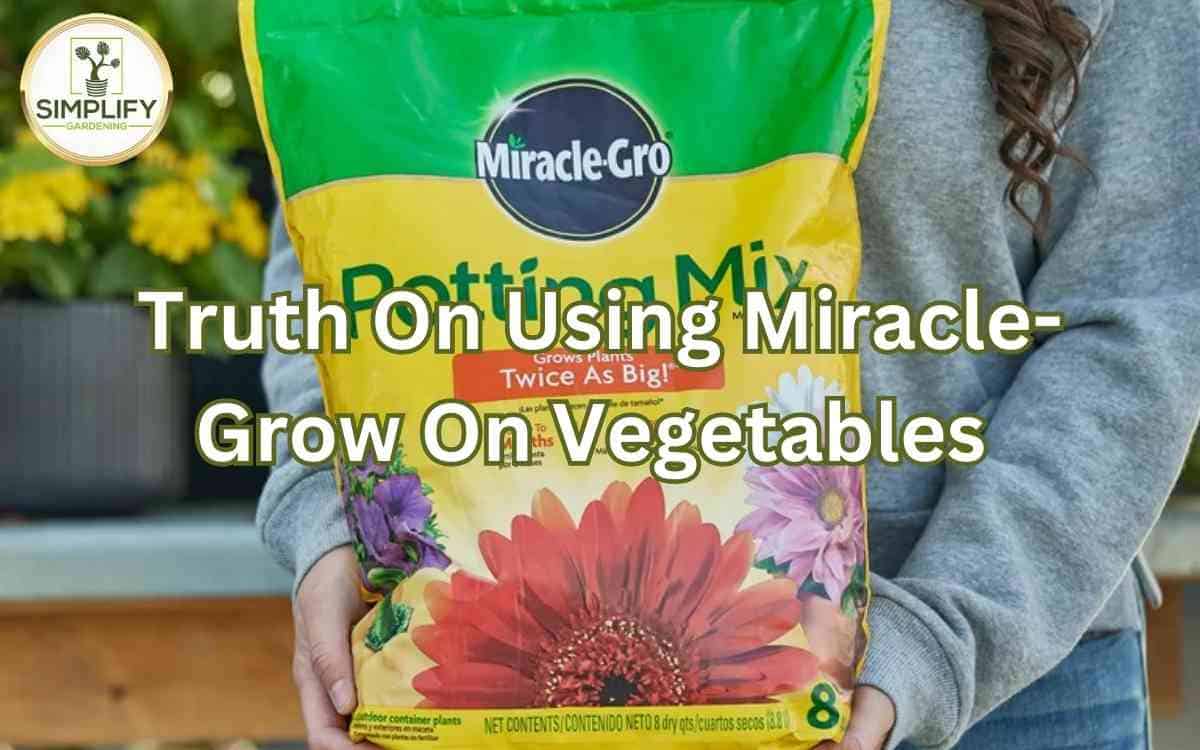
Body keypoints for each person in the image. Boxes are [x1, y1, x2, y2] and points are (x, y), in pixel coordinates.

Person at [257, 2, 1200, 749]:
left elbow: (1139, 306)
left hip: (1007, 687)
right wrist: (335, 515)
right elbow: (344, 207)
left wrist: (941, 638)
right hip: (508, 673)